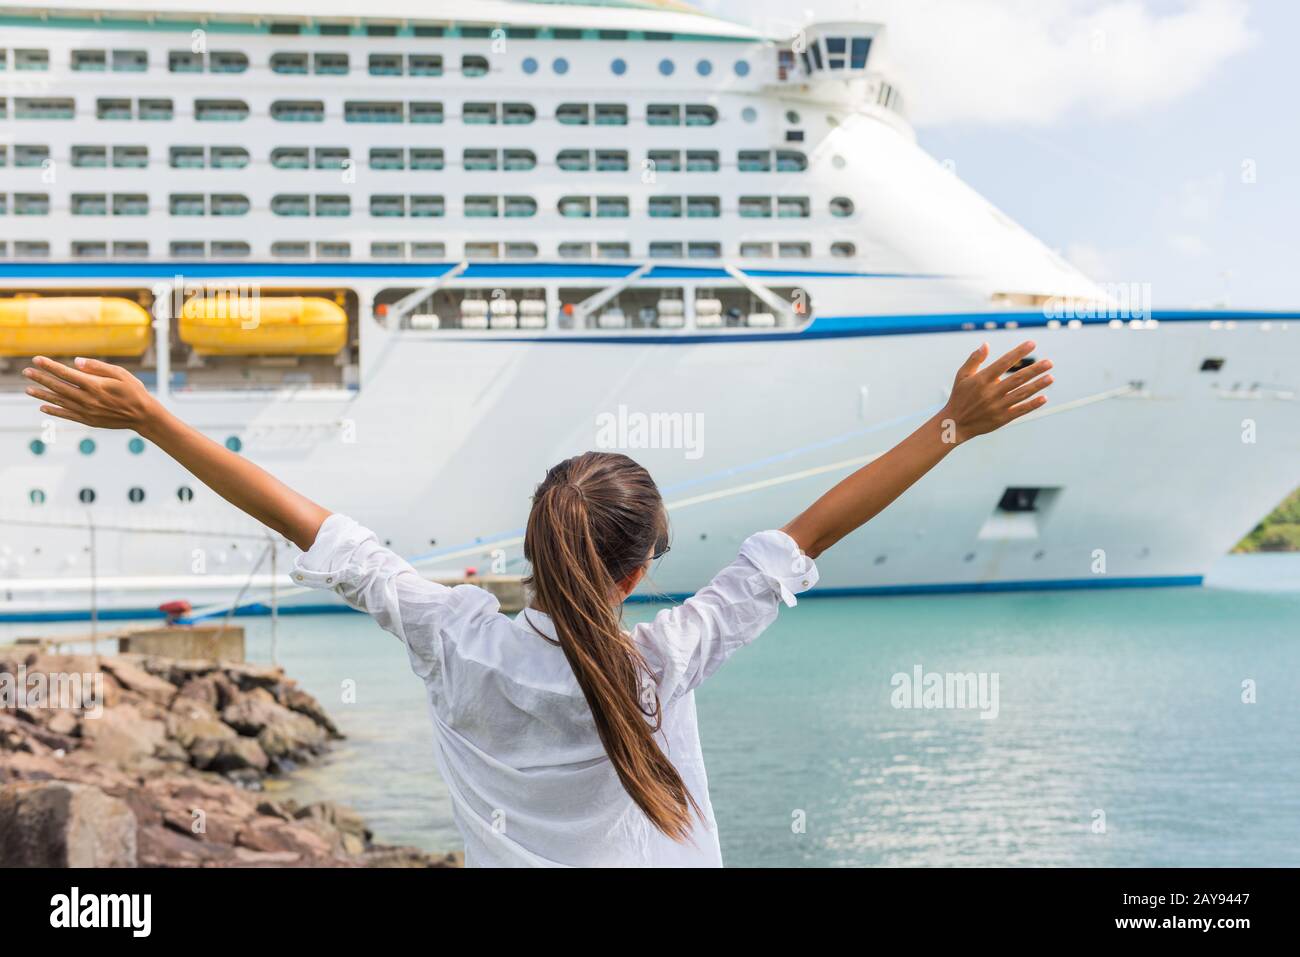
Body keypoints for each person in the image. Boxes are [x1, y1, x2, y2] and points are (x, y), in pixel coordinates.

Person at [22, 340, 1052, 866]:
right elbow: (808, 533)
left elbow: (314, 525)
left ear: (530, 548)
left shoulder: (452, 635)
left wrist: (152, 416)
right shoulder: (667, 657)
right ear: (640, 568)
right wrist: (953, 423)